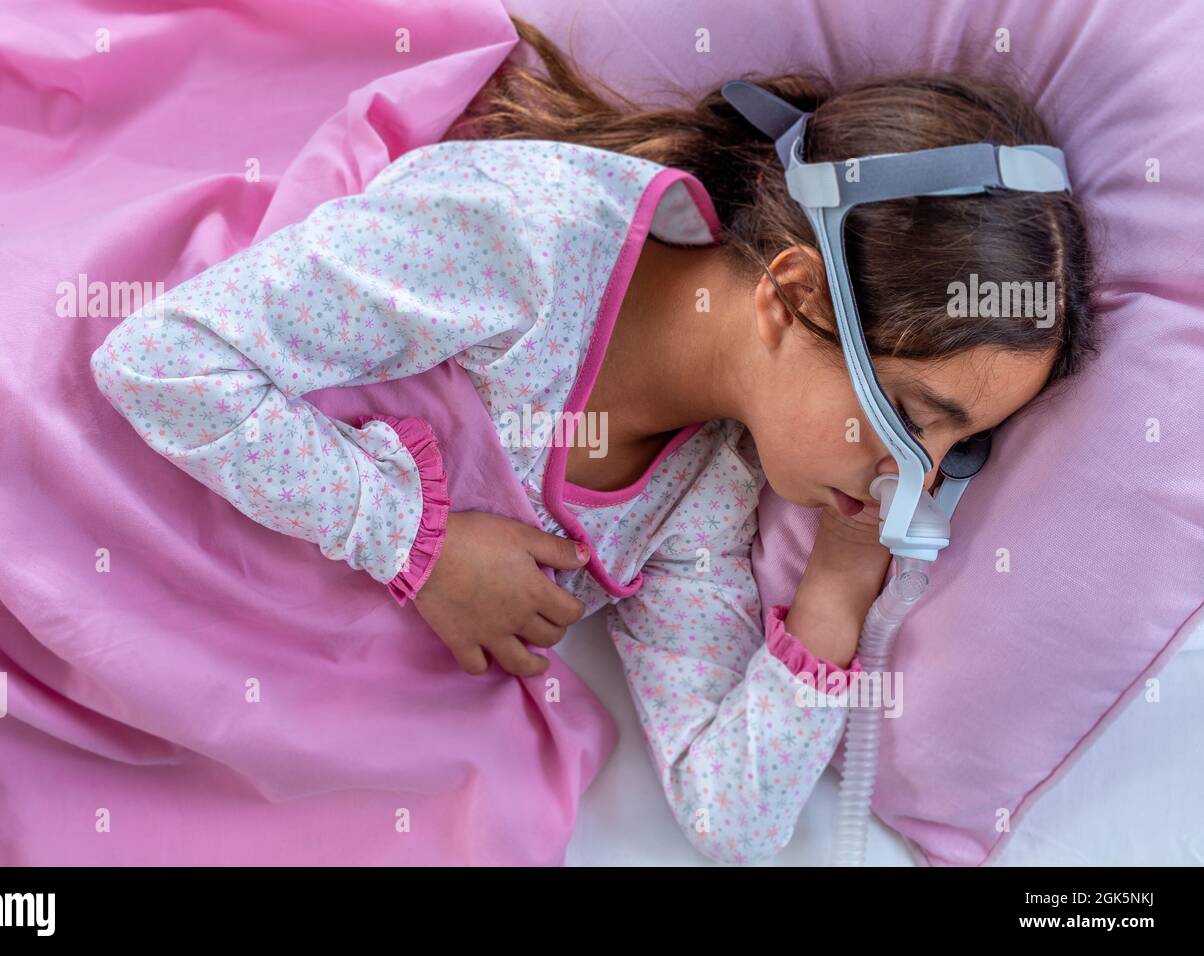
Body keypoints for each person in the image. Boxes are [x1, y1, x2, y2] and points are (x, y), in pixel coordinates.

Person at [91, 15, 1100, 863]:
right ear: (792, 293)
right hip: (116, 513)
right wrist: (415, 541)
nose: (911, 477)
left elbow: (731, 817)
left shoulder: (701, 491)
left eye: (955, 449)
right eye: (915, 413)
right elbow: (163, 361)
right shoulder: (522, 241)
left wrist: (834, 594)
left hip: (241, 709)